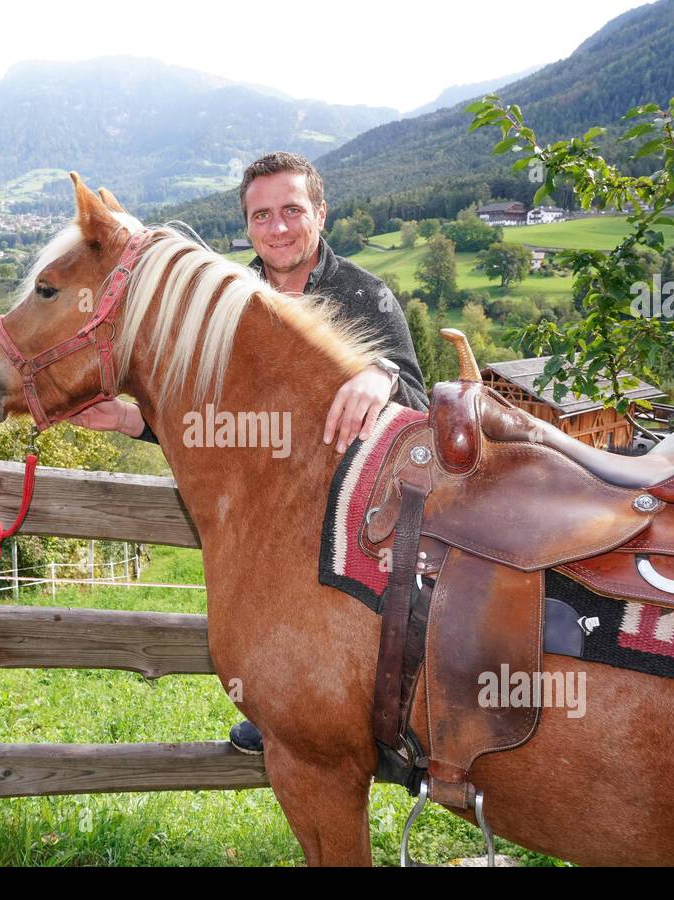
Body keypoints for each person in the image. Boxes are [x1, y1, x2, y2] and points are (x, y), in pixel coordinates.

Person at [69, 152, 430, 754]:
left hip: (347, 506)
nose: (278, 227)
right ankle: (284, 711)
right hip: (267, 511)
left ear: (320, 213)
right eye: (261, 215)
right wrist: (134, 421)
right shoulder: (230, 301)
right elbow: (215, 424)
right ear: (247, 225)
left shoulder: (363, 294)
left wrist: (381, 375)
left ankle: (389, 722)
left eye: (292, 210)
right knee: (265, 622)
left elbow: (416, 404)